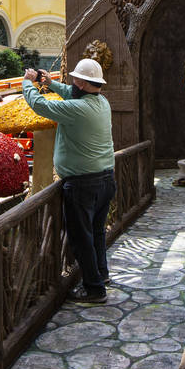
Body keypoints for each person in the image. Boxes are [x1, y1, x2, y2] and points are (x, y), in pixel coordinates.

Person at [22, 58, 115, 304]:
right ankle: (101, 275)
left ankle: (94, 289)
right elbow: (69, 92)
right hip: (105, 179)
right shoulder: (101, 102)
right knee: (95, 232)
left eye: (76, 79)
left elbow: (39, 105)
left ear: (84, 84)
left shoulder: (78, 109)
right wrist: (51, 83)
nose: (72, 82)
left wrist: (28, 83)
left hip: (83, 184)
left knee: (81, 237)